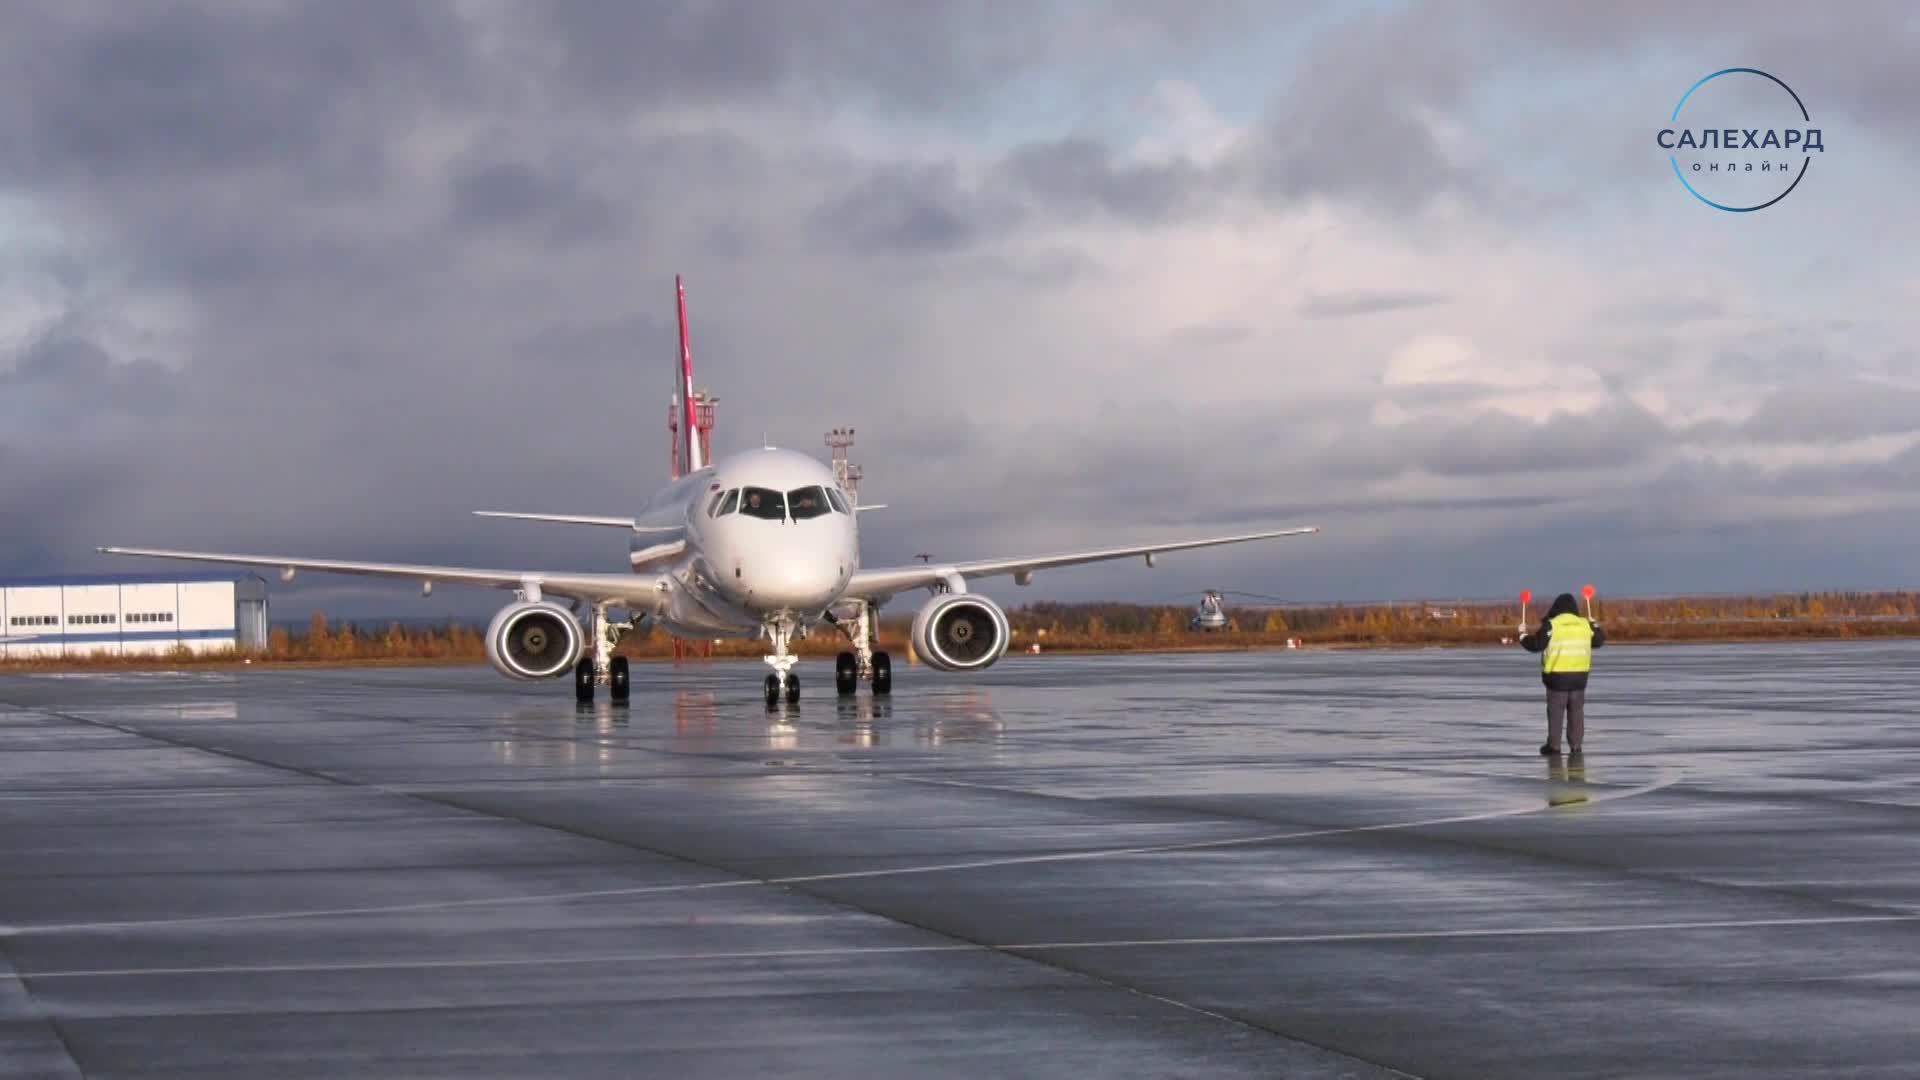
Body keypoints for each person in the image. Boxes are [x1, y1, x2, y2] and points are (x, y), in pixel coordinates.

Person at [1518, 592, 1606, 756]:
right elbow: (1599, 640)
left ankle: (1554, 746)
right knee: (1576, 713)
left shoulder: (1552, 625)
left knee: (1555, 713)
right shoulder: (1584, 625)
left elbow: (1536, 644)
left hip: (1557, 679)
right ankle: (1576, 746)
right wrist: (1594, 625)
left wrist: (1522, 635)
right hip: (1579, 678)